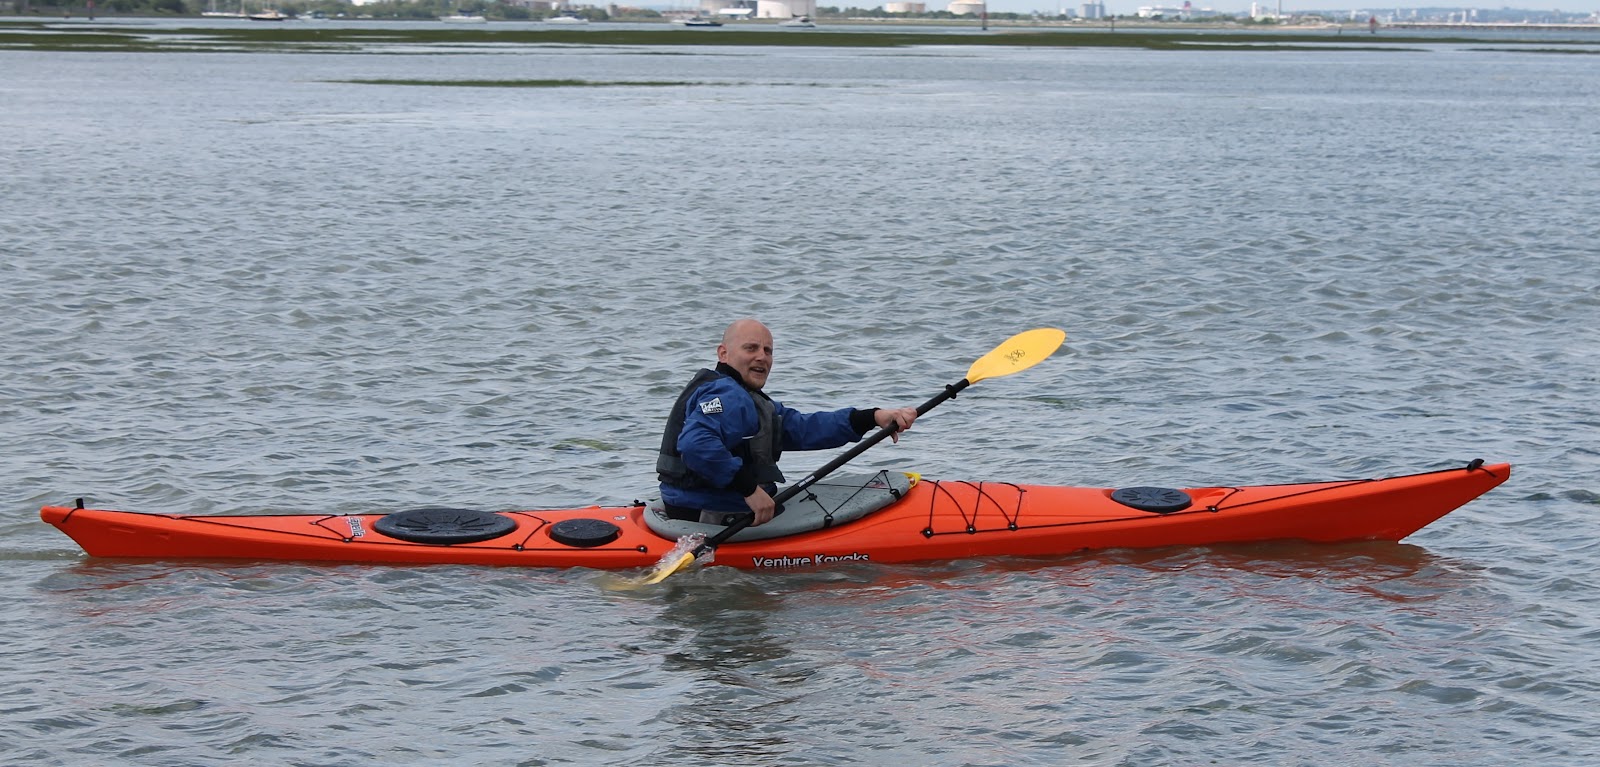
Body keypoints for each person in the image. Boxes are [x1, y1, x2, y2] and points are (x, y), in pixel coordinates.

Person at [657, 319, 918, 526]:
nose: (762, 357)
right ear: (723, 354)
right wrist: (749, 490)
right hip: (709, 511)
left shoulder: (744, 397)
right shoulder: (727, 394)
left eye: (768, 350)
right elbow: (695, 444)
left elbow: (803, 428)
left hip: (693, 503)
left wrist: (871, 417)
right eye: (751, 348)